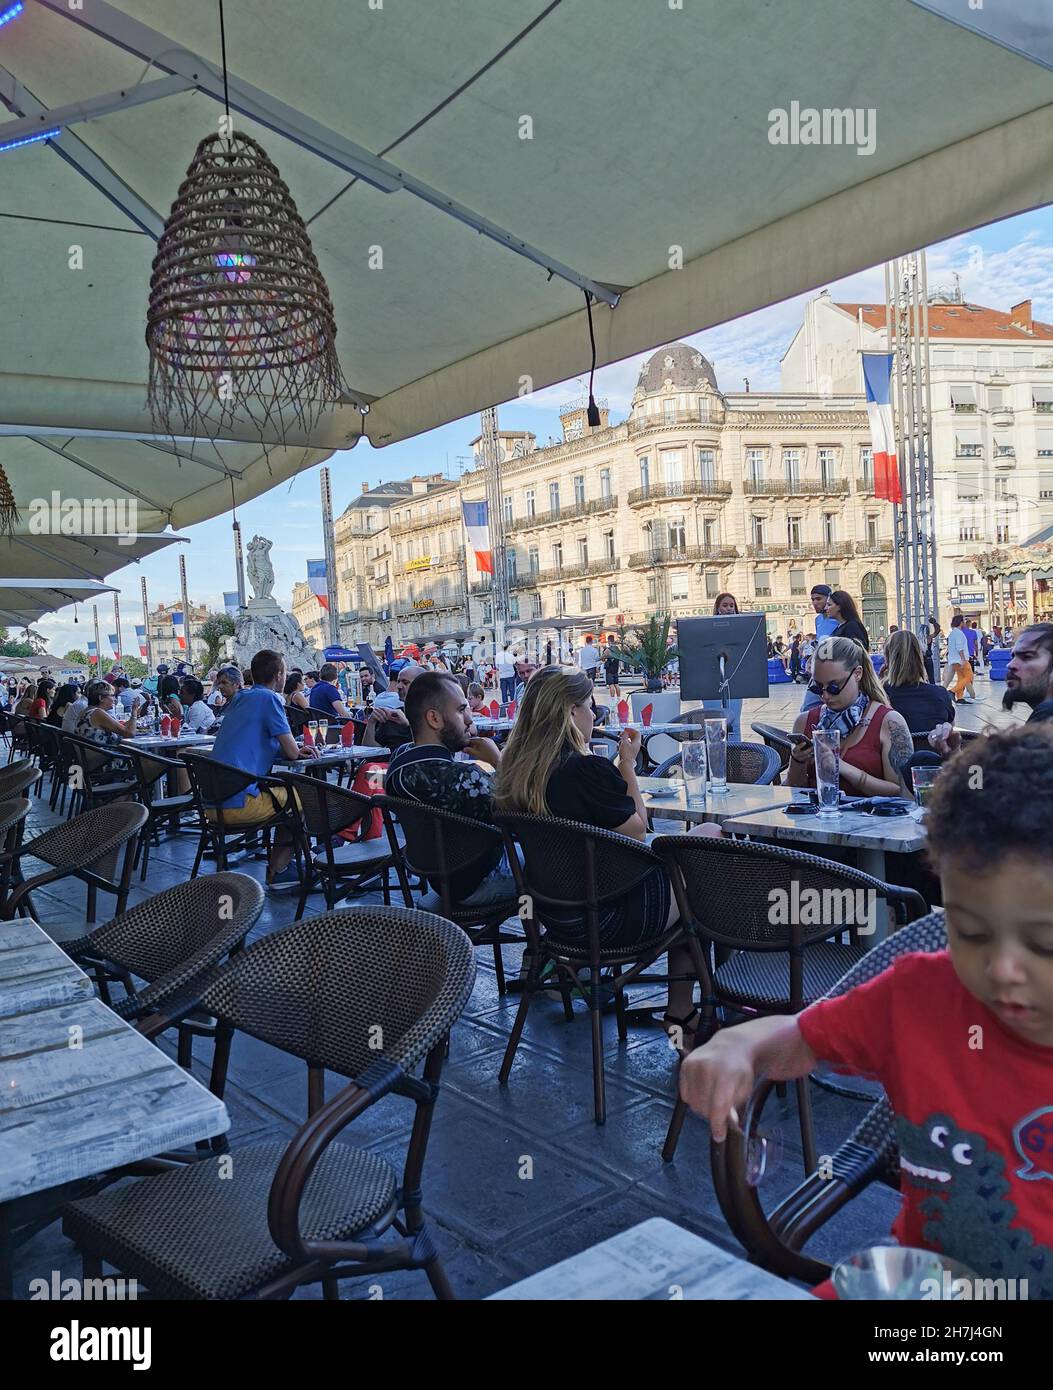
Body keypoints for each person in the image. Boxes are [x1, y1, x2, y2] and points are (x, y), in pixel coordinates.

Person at [679, 723, 1053, 1298]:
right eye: (970, 930)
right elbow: (803, 1038)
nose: (1002, 968)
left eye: (1044, 942)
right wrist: (739, 1045)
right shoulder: (921, 997)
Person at [494, 666, 721, 1044]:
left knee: (693, 867)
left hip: (557, 919)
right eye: (589, 705)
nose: (594, 715)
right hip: (608, 920)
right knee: (707, 847)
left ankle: (686, 1010)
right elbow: (637, 829)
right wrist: (628, 764)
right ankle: (697, 1005)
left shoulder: (516, 774)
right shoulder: (584, 771)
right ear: (569, 712)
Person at [386, 672, 516, 905]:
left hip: (440, 878)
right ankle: (555, 935)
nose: (469, 719)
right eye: (460, 710)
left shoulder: (399, 759)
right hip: (480, 879)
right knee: (553, 863)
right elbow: (520, 814)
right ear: (434, 719)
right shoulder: (464, 778)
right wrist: (499, 762)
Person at [209, 648, 318, 888]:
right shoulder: (269, 698)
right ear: (279, 675)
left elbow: (256, 740)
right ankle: (279, 870)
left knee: (287, 796)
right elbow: (291, 752)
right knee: (302, 797)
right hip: (236, 802)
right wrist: (298, 749)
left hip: (211, 801)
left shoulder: (241, 698)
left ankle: (285, 865)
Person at [787, 636, 914, 798]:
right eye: (817, 687)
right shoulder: (805, 721)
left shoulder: (888, 721)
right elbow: (793, 792)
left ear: (857, 674)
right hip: (818, 819)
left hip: (873, 821)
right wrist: (797, 760)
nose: (825, 695)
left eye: (834, 687)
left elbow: (904, 794)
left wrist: (842, 767)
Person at [929, 623, 1053, 759]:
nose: (1010, 665)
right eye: (1014, 657)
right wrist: (953, 751)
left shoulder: (1048, 714)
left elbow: (1004, 778)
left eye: (1027, 657)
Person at [882, 630, 955, 731]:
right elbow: (951, 728)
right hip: (931, 746)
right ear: (920, 657)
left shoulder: (879, 698)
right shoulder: (940, 694)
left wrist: (880, 682)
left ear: (887, 660)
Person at [73, 679, 141, 776]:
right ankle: (154, 788)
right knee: (150, 758)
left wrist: (132, 718)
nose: (115, 699)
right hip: (105, 765)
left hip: (93, 763)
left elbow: (120, 728)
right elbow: (130, 733)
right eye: (112, 696)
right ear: (101, 698)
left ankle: (154, 788)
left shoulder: (86, 711)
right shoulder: (98, 713)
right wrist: (134, 713)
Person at [705, 593, 743, 738]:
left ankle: (735, 754)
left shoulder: (742, 627)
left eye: (732, 605)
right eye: (725, 605)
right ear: (718, 608)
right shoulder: (708, 628)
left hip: (735, 679)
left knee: (734, 722)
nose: (729, 609)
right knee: (713, 722)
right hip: (710, 679)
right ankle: (714, 754)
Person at [367, 662, 423, 752]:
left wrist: (407, 725)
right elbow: (369, 752)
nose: (399, 686)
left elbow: (426, 750)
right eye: (398, 681)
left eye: (405, 682)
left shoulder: (430, 717)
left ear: (421, 686)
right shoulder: (393, 716)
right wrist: (371, 723)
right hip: (386, 764)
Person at [943, 614, 975, 705]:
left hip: (954, 660)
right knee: (969, 677)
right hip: (960, 660)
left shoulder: (953, 633)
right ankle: (952, 691)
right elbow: (959, 648)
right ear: (961, 622)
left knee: (961, 678)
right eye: (963, 621)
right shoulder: (959, 634)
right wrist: (963, 659)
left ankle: (960, 698)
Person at [924, 616, 942, 686]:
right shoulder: (929, 637)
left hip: (920, 659)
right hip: (928, 658)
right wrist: (934, 623)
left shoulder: (918, 639)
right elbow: (937, 631)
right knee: (931, 677)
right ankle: (932, 687)